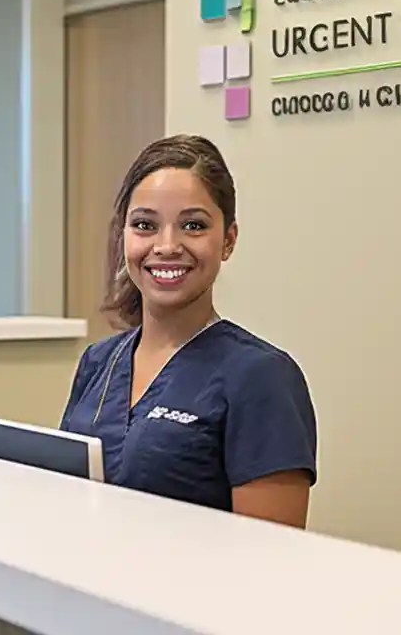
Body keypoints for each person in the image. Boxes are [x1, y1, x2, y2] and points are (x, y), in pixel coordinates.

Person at [60, 134, 317, 528]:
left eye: (193, 226)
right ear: (123, 236)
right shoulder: (98, 362)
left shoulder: (262, 377)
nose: (167, 246)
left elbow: (270, 563)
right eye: (145, 225)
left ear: (228, 240)